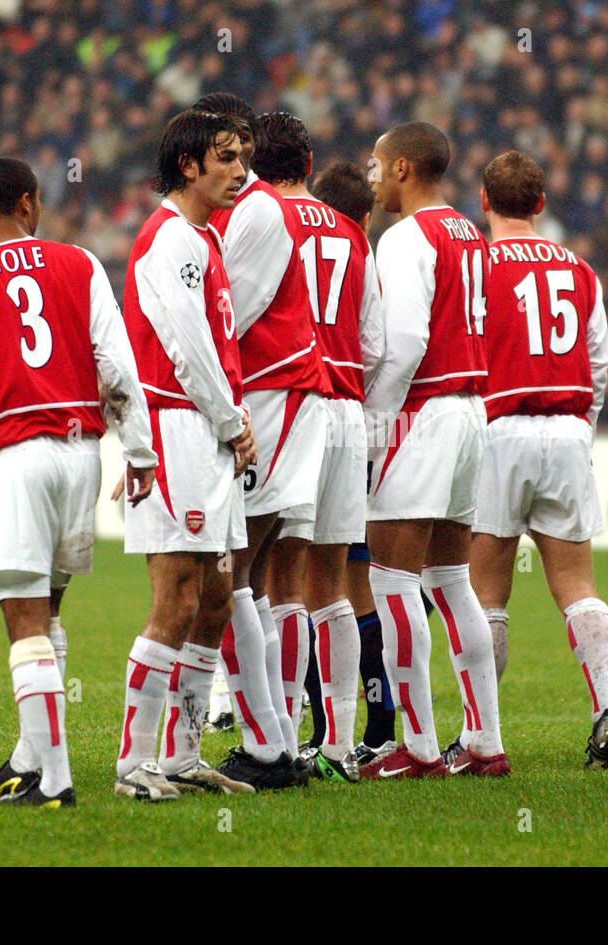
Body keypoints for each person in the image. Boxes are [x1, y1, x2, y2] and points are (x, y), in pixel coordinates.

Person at [0, 156, 158, 808]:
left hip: (12, 455)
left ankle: (55, 780)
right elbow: (117, 362)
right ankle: (29, 756)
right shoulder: (78, 264)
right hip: (79, 455)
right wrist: (139, 452)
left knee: (22, 620)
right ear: (27, 203)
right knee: (45, 612)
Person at [114, 109, 261, 798]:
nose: (240, 171)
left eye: (243, 158)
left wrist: (227, 427)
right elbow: (186, 345)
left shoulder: (202, 237)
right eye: (226, 158)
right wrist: (234, 422)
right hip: (179, 430)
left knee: (216, 602)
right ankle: (132, 762)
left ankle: (180, 754)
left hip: (208, 436)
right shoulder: (172, 239)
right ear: (188, 166)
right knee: (176, 597)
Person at [362, 121, 507, 778]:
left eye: (375, 164)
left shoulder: (405, 237)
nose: (370, 177)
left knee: (390, 578)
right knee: (450, 580)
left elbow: (406, 343)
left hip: (422, 412)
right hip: (472, 411)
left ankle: (417, 746)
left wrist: (372, 426)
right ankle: (483, 740)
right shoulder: (469, 233)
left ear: (400, 169)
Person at [468, 150, 608, 768]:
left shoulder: (477, 264)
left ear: (483, 201)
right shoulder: (581, 271)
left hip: (498, 431)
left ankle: (484, 734)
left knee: (485, 593)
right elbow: (599, 364)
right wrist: (580, 430)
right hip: (566, 432)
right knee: (578, 586)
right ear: (539, 204)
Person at [196, 91, 331, 788]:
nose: (230, 159)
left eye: (233, 146)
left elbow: (230, 317)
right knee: (252, 576)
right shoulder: (253, 213)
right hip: (287, 398)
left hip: (276, 397)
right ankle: (274, 740)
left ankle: (270, 746)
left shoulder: (256, 214)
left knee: (231, 571)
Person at [252, 115, 384, 782]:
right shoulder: (350, 233)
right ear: (307, 161)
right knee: (334, 587)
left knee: (279, 584)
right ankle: (338, 746)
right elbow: (378, 342)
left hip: (288, 405)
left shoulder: (253, 215)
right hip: (347, 410)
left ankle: (279, 739)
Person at [306, 161, 401, 770]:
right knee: (360, 585)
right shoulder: (365, 255)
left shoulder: (289, 239)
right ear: (362, 217)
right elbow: (379, 348)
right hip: (361, 427)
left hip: (290, 416)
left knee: (295, 583)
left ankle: (317, 729)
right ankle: (381, 722)